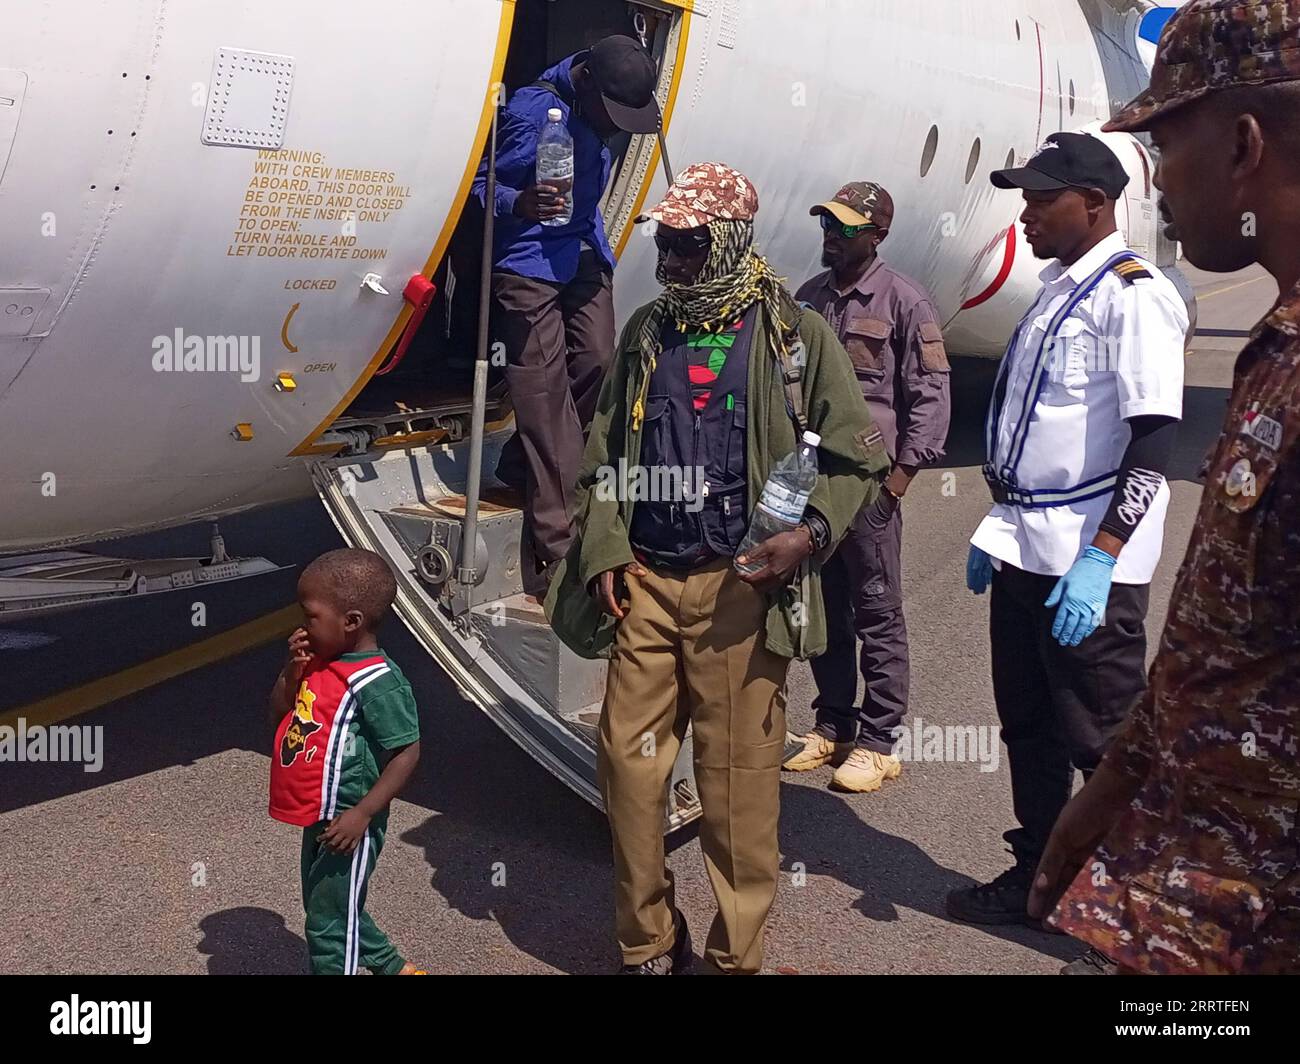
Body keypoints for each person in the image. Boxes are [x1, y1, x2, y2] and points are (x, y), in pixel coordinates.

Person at [545, 163, 889, 974]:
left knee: (737, 789)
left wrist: (807, 534)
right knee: (627, 771)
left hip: (743, 589)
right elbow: (601, 461)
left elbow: (856, 461)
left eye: (686, 246)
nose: (668, 261)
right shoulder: (648, 332)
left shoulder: (796, 338)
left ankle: (735, 956)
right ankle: (648, 941)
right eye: (663, 244)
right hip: (648, 586)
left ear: (728, 242)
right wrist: (605, 549)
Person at [1028, 0, 1300, 976]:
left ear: (1241, 144)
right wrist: (1112, 783)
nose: (1153, 171)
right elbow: (1230, 635)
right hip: (1190, 907)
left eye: (1163, 138)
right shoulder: (1274, 347)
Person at [946, 133, 1189, 933]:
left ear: (1095, 203)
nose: (1028, 212)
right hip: (1026, 547)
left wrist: (1103, 557)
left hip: (1088, 562)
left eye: (1043, 198)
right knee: (1029, 725)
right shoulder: (1057, 288)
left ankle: (1135, 907)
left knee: (1105, 740)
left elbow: (1153, 441)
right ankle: (1039, 876)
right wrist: (998, 525)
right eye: (1025, 196)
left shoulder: (1134, 292)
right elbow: (1041, 424)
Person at [473, 35, 661, 596]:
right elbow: (479, 185)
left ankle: (519, 462)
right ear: (584, 83)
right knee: (543, 395)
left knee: (602, 363)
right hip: (528, 262)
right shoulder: (530, 115)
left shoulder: (598, 108)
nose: (617, 127)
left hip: (582, 253)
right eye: (614, 114)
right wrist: (518, 203)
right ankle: (563, 549)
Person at [785, 182, 951, 792]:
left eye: (847, 227)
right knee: (826, 608)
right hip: (816, 484)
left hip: (872, 488)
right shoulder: (808, 299)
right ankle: (834, 725)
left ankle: (880, 741)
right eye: (828, 222)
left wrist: (898, 483)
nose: (832, 233)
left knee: (877, 610)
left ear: (877, 234)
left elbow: (930, 395)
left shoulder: (906, 301)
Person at [268, 548, 424, 976]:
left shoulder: (378, 683)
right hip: (318, 814)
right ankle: (392, 967)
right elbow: (277, 714)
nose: (302, 625)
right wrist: (291, 673)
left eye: (311, 616)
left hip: (349, 820)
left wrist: (363, 814)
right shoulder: (317, 663)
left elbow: (406, 751)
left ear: (351, 622)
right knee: (327, 903)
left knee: (328, 925)